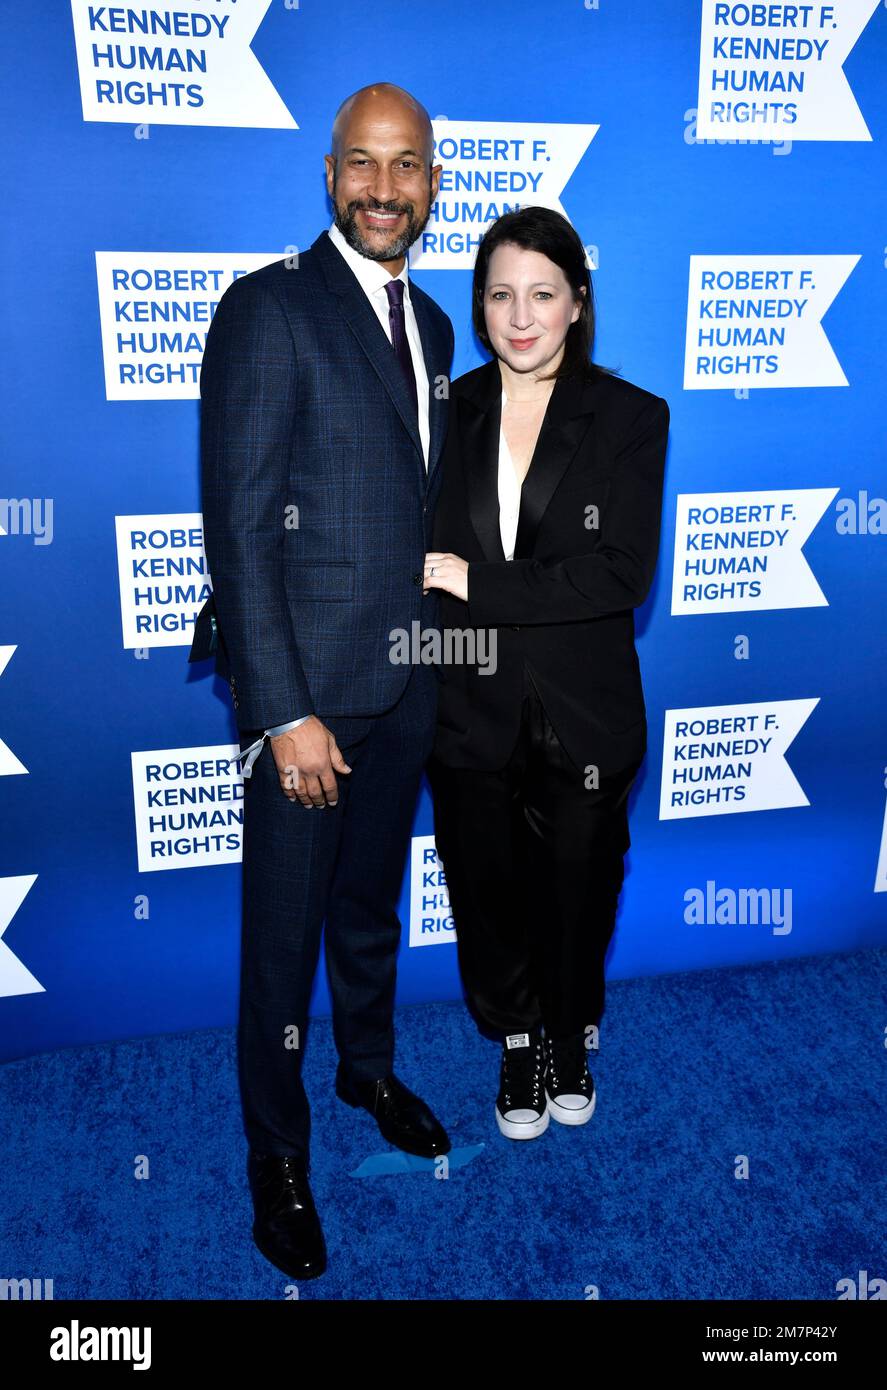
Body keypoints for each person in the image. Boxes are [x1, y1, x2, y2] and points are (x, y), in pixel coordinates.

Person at [191, 84, 454, 1279]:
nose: (383, 190)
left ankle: (366, 1069)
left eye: (405, 168)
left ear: (432, 183)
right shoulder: (267, 310)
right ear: (329, 177)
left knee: (368, 905)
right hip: (307, 699)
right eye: (362, 164)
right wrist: (282, 710)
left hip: (406, 687)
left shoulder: (438, 327)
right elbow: (239, 528)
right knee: (281, 936)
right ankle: (275, 1154)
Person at [423, 206, 670, 1141]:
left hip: (586, 711)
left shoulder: (631, 418)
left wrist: (475, 580)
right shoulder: (444, 409)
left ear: (577, 303)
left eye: (541, 294)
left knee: (579, 884)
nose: (519, 317)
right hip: (465, 700)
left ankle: (569, 1029)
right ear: (479, 305)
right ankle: (518, 1038)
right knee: (483, 887)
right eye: (499, 294)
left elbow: (619, 574)